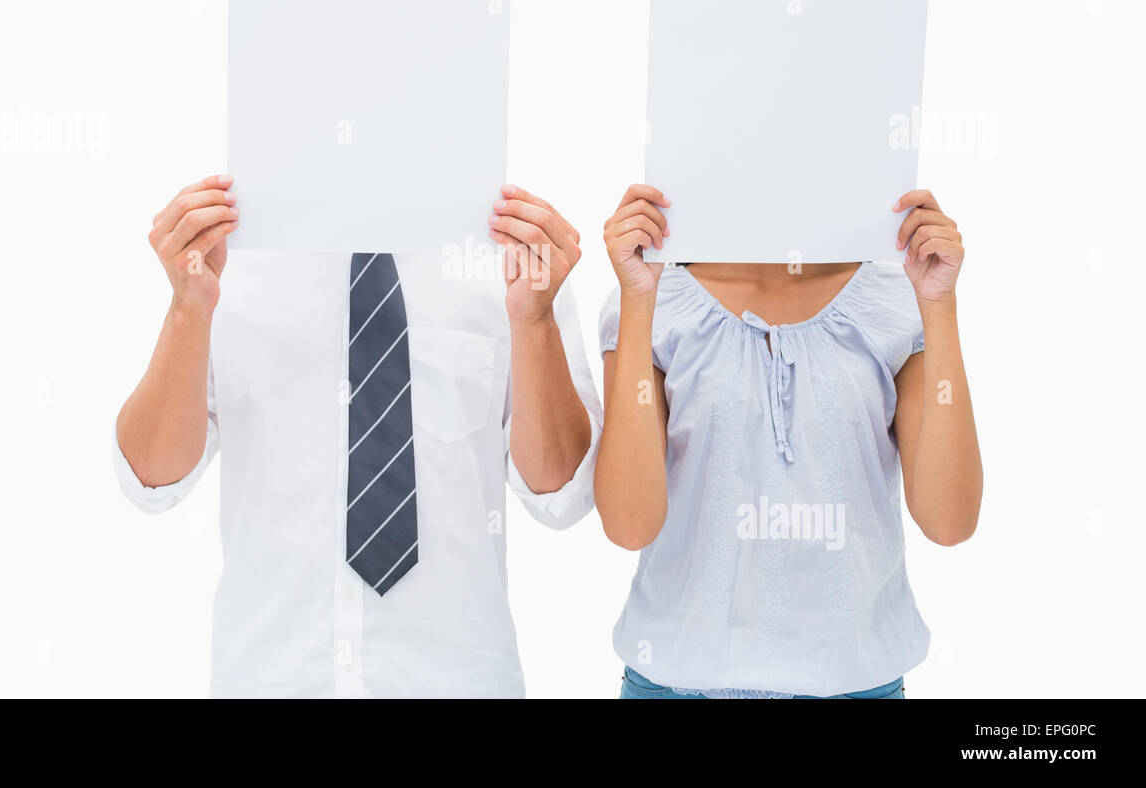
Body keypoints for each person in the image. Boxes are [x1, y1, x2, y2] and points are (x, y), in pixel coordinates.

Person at [114, 174, 601, 697]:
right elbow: (152, 480)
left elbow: (561, 495)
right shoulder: (228, 248)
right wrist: (189, 308)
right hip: (269, 679)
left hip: (457, 679)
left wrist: (535, 321)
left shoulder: (509, 247)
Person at [594, 184, 982, 699]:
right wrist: (638, 301)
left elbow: (949, 521)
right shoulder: (656, 300)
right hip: (676, 681)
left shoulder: (893, 300)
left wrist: (939, 305)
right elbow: (627, 524)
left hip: (855, 682)